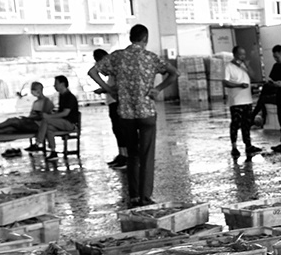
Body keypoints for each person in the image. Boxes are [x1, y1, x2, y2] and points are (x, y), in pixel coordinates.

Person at [95, 24, 180, 206]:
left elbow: (93, 72)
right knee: (147, 155)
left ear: (130, 38)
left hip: (125, 114)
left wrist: (109, 89)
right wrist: (158, 89)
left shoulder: (117, 57)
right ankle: (145, 197)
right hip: (146, 113)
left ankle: (133, 196)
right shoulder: (151, 57)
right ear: (145, 39)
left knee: (132, 154)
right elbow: (175, 73)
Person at [88, 47, 128, 168]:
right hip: (113, 101)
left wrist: (106, 89)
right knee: (116, 129)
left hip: (117, 101)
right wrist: (106, 89)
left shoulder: (115, 66)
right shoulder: (112, 69)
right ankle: (122, 154)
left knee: (120, 129)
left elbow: (120, 85)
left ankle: (125, 156)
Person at [224, 46, 261, 159]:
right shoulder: (229, 67)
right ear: (235, 54)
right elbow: (225, 82)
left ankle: (248, 145)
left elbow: (254, 76)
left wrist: (247, 66)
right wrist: (239, 85)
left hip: (247, 100)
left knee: (246, 123)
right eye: (241, 54)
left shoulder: (244, 66)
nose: (243, 57)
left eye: (244, 54)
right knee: (235, 123)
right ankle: (234, 146)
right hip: (236, 101)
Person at [35, 75, 79, 160]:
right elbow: (61, 112)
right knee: (49, 128)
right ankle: (53, 151)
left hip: (70, 123)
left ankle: (38, 142)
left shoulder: (69, 96)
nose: (54, 86)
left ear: (62, 84)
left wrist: (49, 116)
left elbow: (65, 113)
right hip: (63, 122)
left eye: (56, 83)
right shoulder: (62, 95)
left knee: (46, 120)